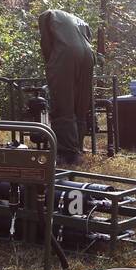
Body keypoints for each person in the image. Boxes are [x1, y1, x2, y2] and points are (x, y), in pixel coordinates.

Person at [37, 9, 96, 166]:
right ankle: (78, 147)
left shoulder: (47, 16)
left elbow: (46, 44)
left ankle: (67, 153)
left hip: (66, 54)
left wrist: (51, 64)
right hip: (88, 54)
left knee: (63, 102)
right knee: (81, 104)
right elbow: (89, 36)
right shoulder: (77, 19)